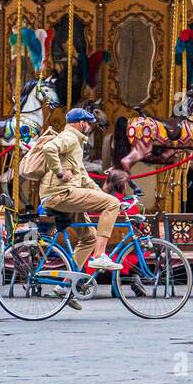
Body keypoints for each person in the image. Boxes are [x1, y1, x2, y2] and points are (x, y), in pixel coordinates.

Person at [36, 108, 126, 274]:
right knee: (113, 203)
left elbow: (84, 178)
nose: (90, 127)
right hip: (61, 194)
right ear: (81, 123)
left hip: (60, 194)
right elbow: (49, 148)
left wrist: (101, 195)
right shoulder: (69, 137)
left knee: (89, 238)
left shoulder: (75, 142)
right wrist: (60, 172)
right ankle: (99, 255)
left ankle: (66, 285)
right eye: (88, 123)